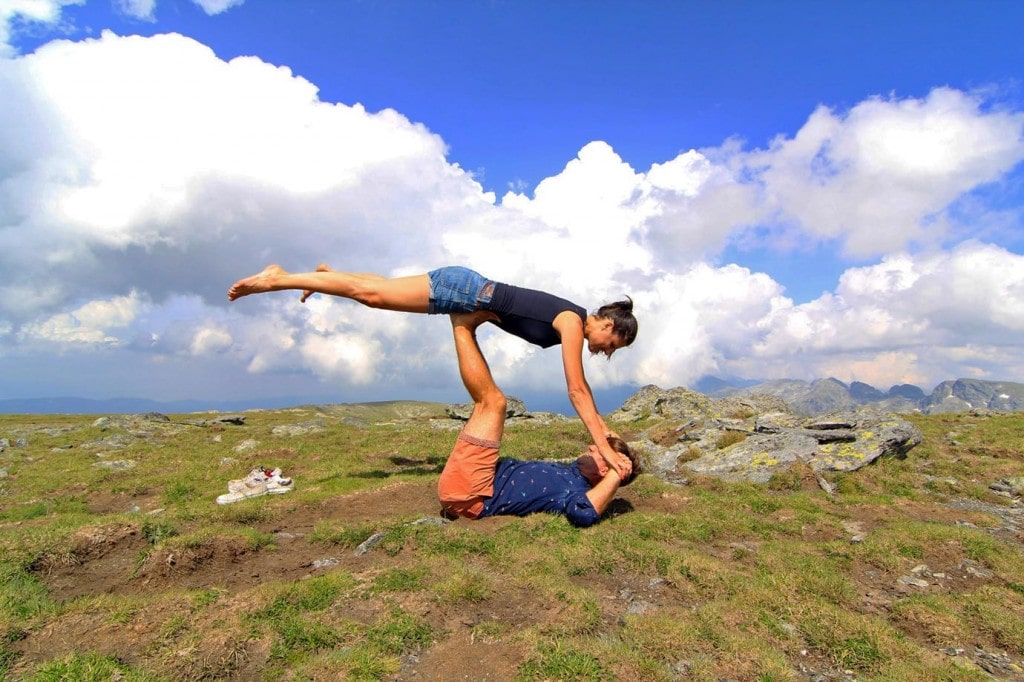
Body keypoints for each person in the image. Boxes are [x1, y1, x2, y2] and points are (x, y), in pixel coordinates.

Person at [228, 263, 638, 478]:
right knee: (373, 295)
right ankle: (276, 278)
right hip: (464, 289)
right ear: (604, 323)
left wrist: (606, 434)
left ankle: (324, 277)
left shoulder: (565, 323)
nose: (606, 352)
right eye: (612, 345)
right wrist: (602, 445)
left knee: (380, 291)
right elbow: (577, 390)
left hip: (468, 293)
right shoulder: (570, 321)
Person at [438, 311, 640, 527]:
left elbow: (584, 513)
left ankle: (462, 325)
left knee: (493, 404)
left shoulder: (574, 490)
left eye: (600, 453)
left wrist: (616, 474)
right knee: (492, 402)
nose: (592, 447)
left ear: (603, 470)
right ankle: (464, 328)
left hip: (469, 494)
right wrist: (608, 437)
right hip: (476, 479)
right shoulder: (569, 472)